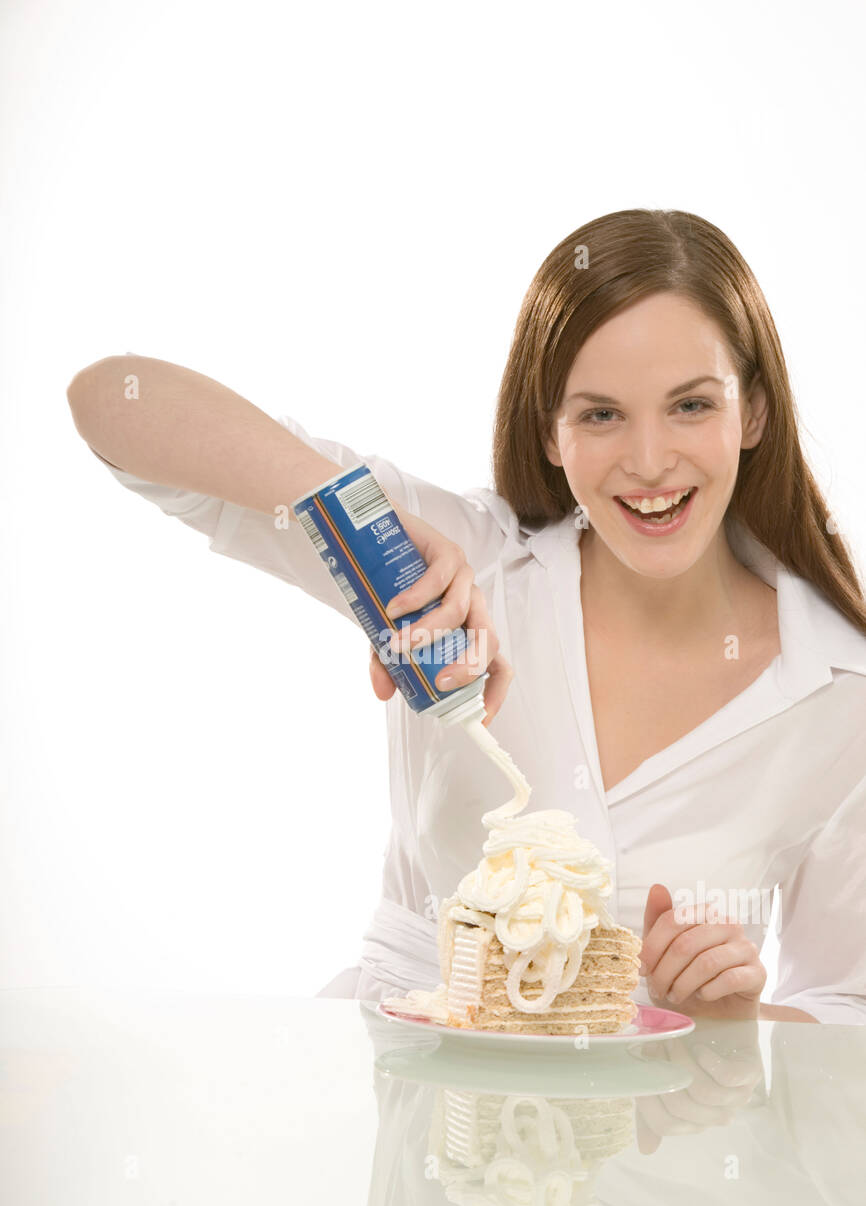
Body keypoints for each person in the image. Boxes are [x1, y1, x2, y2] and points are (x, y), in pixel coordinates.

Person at [67, 208, 866, 1025]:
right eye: (600, 414)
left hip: (658, 1141)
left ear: (755, 413)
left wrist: (736, 1019)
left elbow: (849, 1011)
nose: (651, 459)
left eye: (691, 406)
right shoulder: (453, 564)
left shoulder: (838, 691)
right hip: (402, 1099)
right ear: (550, 433)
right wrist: (364, 524)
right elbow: (110, 404)